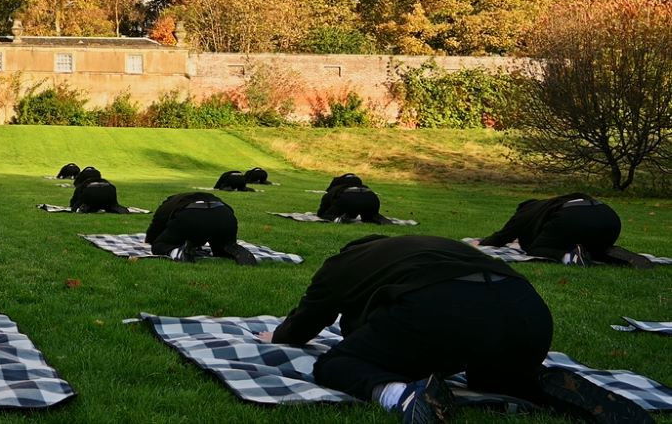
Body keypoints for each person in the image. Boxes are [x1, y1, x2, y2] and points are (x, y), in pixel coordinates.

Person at [264, 234, 651, 424]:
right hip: (526, 309)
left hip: (439, 309)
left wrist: (277, 338)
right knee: (494, 378)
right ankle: (542, 385)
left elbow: (305, 325)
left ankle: (401, 395)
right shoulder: (430, 246)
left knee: (337, 364)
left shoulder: (341, 265)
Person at [476, 193, 652, 269]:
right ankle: (611, 252)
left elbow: (503, 236)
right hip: (609, 218)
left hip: (574, 216)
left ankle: (568, 256)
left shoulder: (527, 210)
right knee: (593, 250)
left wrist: (481, 243)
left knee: (536, 249)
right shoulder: (550, 204)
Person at [144, 193, 256, 265]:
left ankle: (178, 252)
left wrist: (152, 239)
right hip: (224, 215)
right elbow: (229, 210)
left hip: (192, 215)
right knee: (221, 248)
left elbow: (156, 226)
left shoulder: (169, 203)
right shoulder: (208, 195)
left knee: (159, 245)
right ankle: (231, 248)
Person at [317, 184, 388, 224]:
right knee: (369, 218)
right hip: (372, 198)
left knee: (327, 215)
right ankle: (376, 218)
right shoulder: (361, 186)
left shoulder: (330, 194)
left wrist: (326, 214)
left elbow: (321, 212)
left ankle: (338, 220)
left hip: (349, 199)